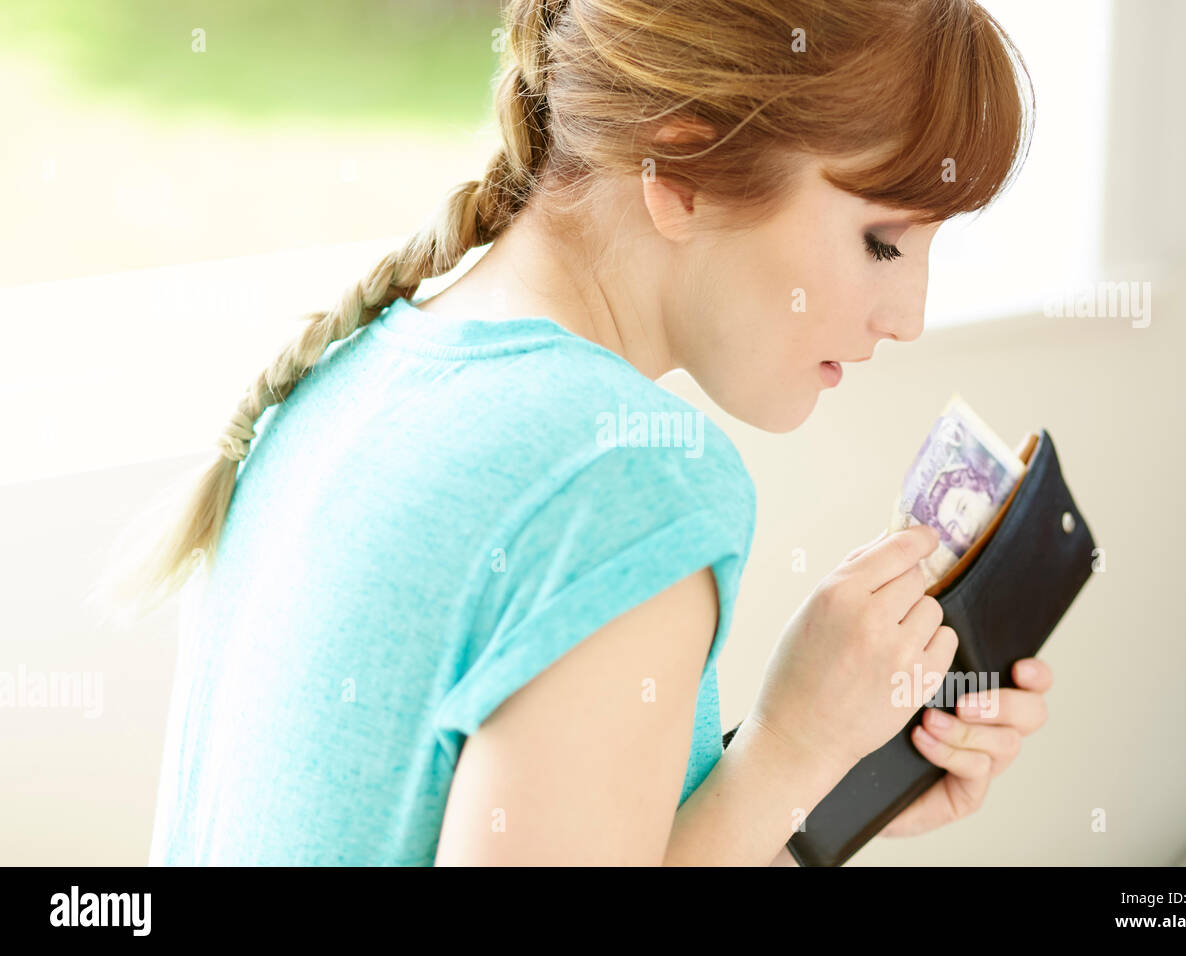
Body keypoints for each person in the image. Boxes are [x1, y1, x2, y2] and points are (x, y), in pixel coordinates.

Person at [98, 0, 1054, 865]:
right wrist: (788, 754)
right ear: (679, 174)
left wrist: (817, 783)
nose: (910, 313)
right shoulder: (620, 477)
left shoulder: (352, 377)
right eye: (880, 241)